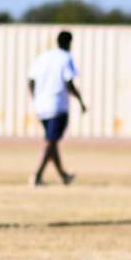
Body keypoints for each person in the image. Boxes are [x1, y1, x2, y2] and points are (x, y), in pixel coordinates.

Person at [28, 31, 86, 186]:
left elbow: (31, 80)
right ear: (69, 43)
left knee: (52, 141)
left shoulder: (44, 57)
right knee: (51, 142)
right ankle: (37, 175)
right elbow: (69, 83)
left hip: (41, 106)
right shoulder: (66, 58)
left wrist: (35, 99)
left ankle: (64, 176)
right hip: (57, 106)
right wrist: (80, 101)